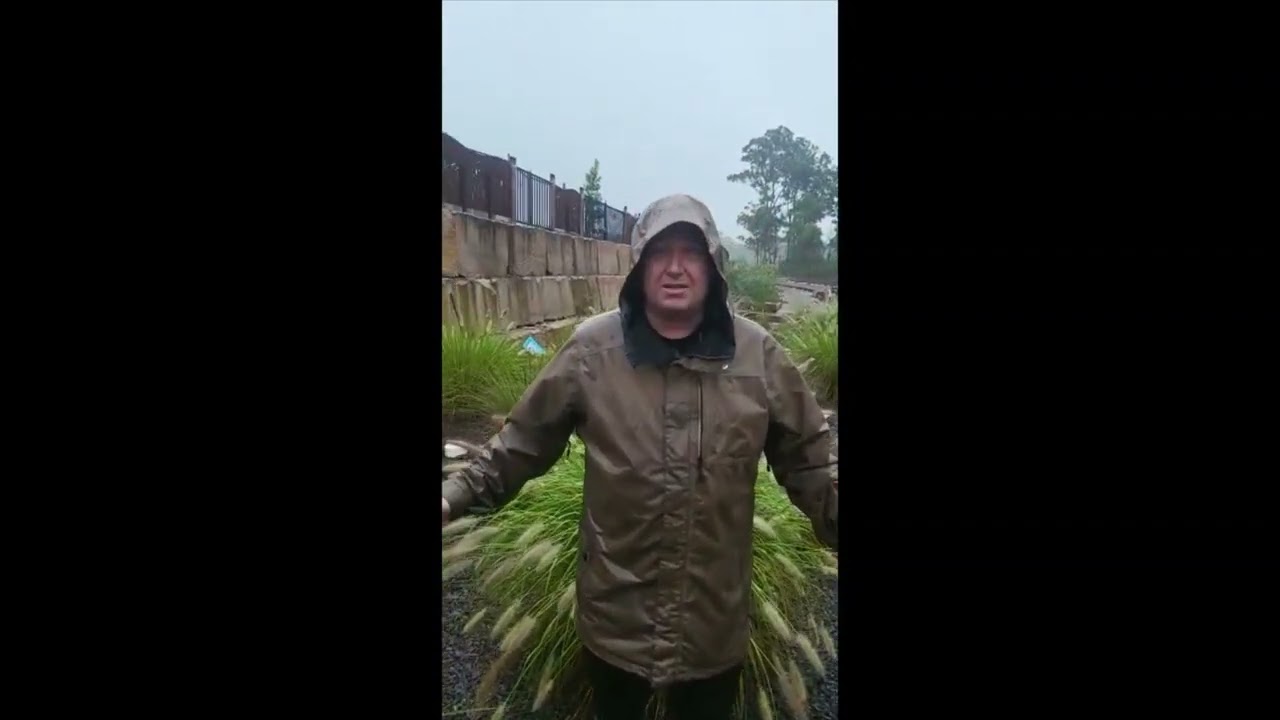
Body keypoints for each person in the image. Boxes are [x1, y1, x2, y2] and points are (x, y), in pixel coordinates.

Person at [441, 194, 838, 720]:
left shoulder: (757, 356)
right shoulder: (591, 352)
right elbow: (519, 445)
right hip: (614, 624)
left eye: (691, 253)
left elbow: (811, 461)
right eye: (660, 252)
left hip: (713, 629)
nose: (675, 267)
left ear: (713, 265)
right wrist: (451, 497)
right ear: (640, 265)